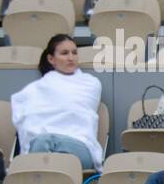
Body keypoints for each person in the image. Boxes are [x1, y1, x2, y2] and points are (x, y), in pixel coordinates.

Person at [11, 35, 103, 172]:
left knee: (44, 141)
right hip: (42, 146)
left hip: (81, 147)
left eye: (74, 53)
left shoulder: (90, 83)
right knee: (42, 142)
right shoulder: (36, 88)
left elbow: (82, 114)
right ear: (51, 59)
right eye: (64, 53)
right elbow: (25, 116)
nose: (71, 58)